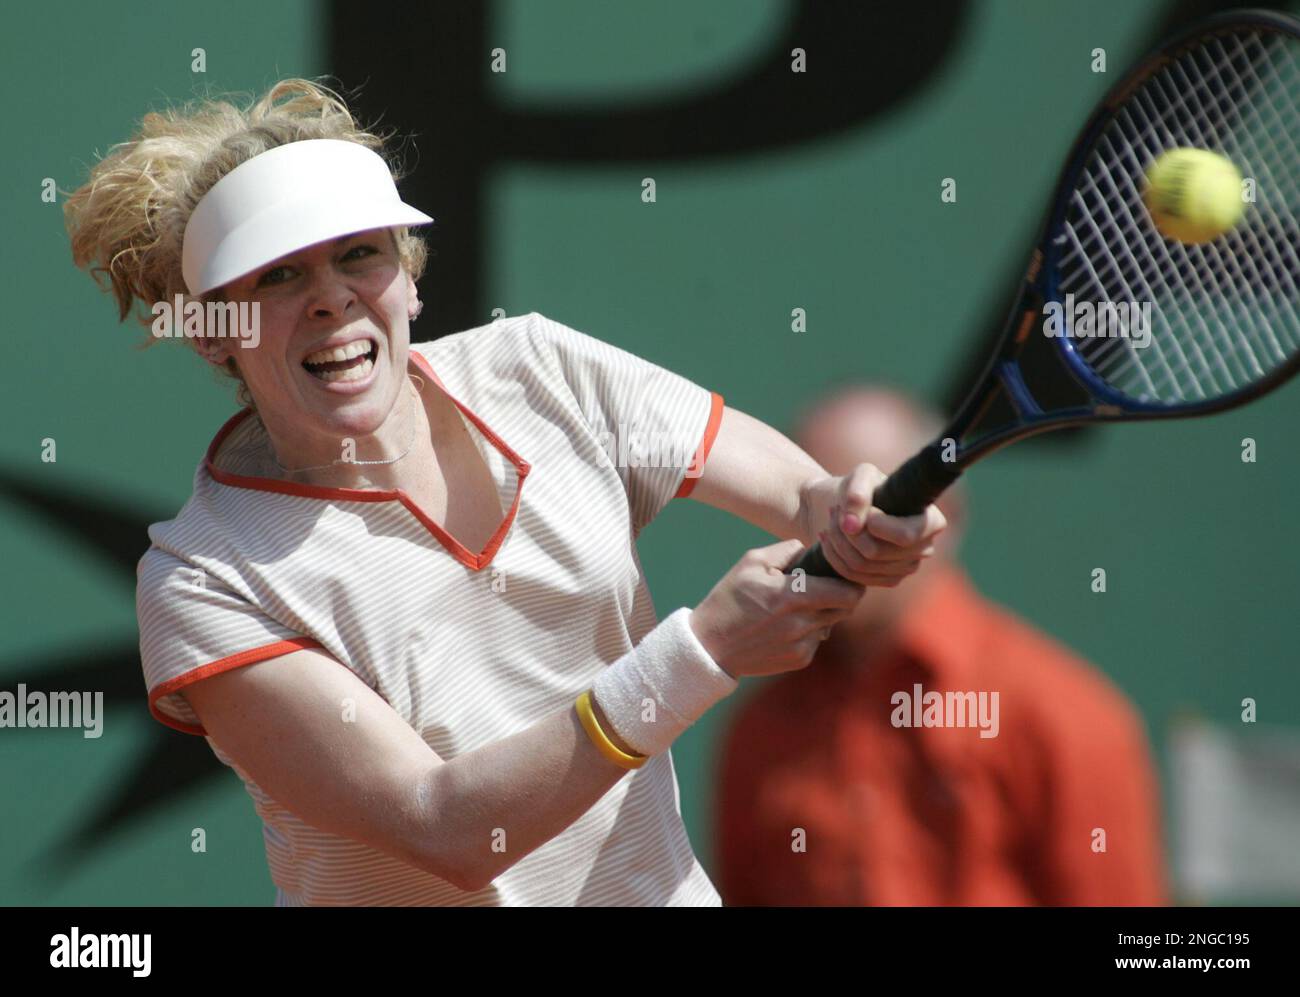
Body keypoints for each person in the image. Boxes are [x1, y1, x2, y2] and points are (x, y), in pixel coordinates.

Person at [62, 78, 945, 906]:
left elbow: (804, 497)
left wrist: (857, 510)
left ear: (408, 278)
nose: (330, 298)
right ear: (216, 332)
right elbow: (443, 824)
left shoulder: (542, 369)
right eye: (279, 276)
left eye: (358, 255)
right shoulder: (201, 582)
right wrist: (703, 649)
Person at [714, 387, 1169, 906]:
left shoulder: (1065, 717)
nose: (830, 544)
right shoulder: (760, 727)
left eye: (856, 512)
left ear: (942, 515)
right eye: (805, 515)